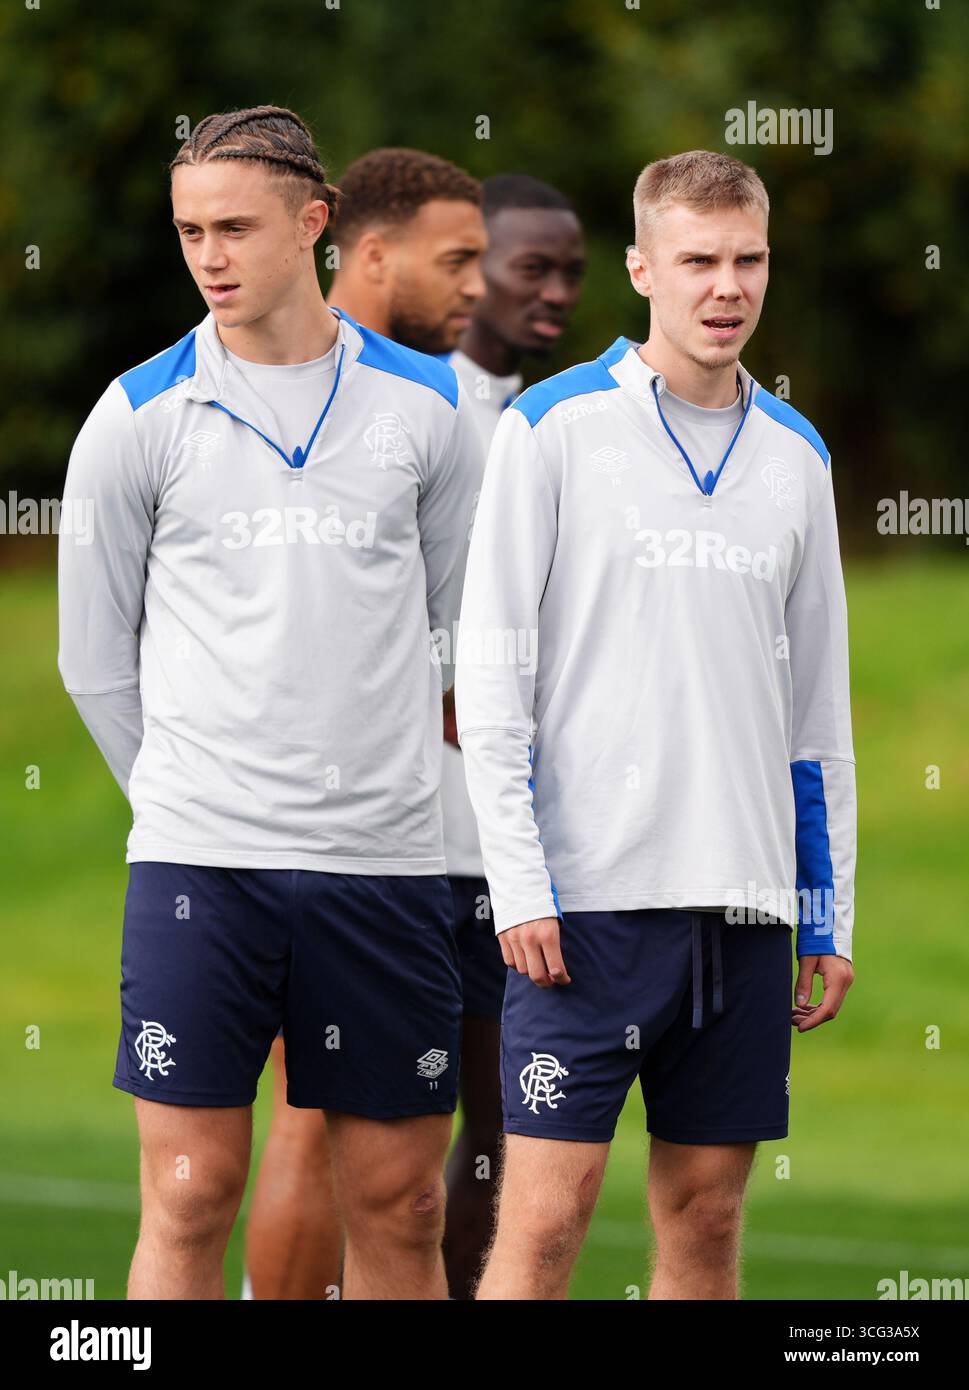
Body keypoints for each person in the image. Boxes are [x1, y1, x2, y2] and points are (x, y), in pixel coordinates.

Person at [57, 105, 481, 1301]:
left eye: (235, 226)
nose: (210, 256)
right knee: (189, 1193)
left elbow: (463, 633)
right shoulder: (135, 414)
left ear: (313, 221)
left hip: (387, 869)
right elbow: (93, 660)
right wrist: (195, 798)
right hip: (202, 865)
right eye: (190, 230)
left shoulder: (431, 407)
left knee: (401, 1203)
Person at [455, 149, 856, 1300]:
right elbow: (490, 682)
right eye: (698, 261)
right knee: (542, 1227)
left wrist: (825, 910)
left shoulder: (798, 456)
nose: (726, 286)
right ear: (642, 269)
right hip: (583, 912)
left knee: (707, 1220)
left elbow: (815, 714)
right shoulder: (553, 428)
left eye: (748, 260)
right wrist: (521, 883)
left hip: (740, 912)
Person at [437, 173, 586, 1299]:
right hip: (383, 840)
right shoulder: (409, 407)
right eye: (531, 266)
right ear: (469, 264)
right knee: (348, 1131)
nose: (555, 291)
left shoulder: (551, 424)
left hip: (508, 849)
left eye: (573, 272)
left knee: (500, 1125)